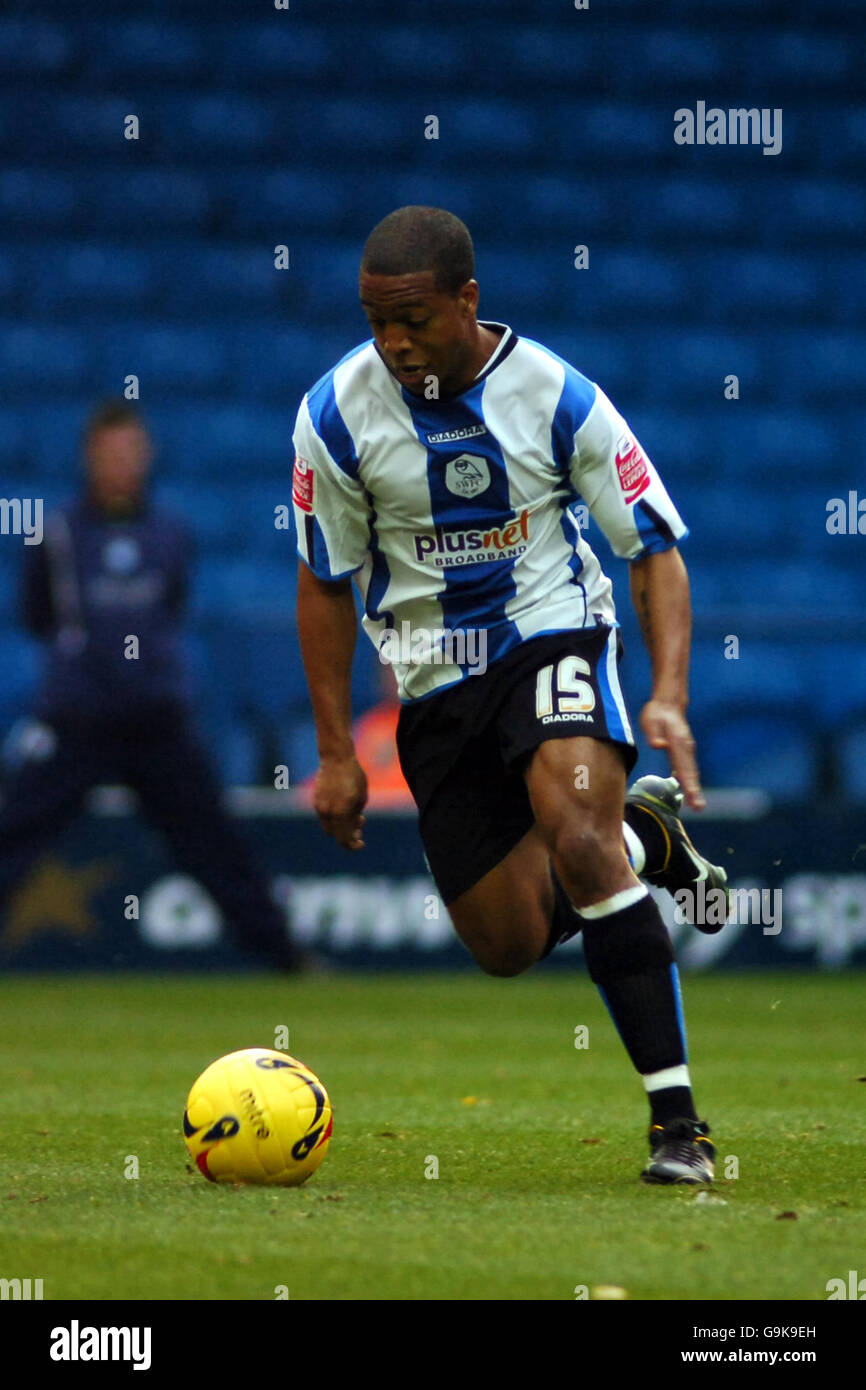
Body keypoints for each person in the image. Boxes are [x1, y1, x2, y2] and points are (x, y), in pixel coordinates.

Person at [293, 206, 728, 1182]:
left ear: (467, 299)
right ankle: (642, 839)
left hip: (549, 632)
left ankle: (676, 1128)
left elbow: (651, 547)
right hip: (430, 677)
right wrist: (329, 751)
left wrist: (664, 693)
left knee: (572, 828)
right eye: (375, 322)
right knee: (506, 939)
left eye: (413, 318)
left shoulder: (555, 396)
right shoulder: (331, 416)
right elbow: (323, 582)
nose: (394, 343)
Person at [0, 399, 301, 970]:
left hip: (155, 720)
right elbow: (39, 615)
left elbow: (171, 608)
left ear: (147, 458)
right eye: (111, 454)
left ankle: (284, 957)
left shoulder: (169, 532)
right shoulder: (57, 533)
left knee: (215, 843)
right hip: (78, 720)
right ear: (90, 459)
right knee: (15, 833)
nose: (122, 465)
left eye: (132, 452)